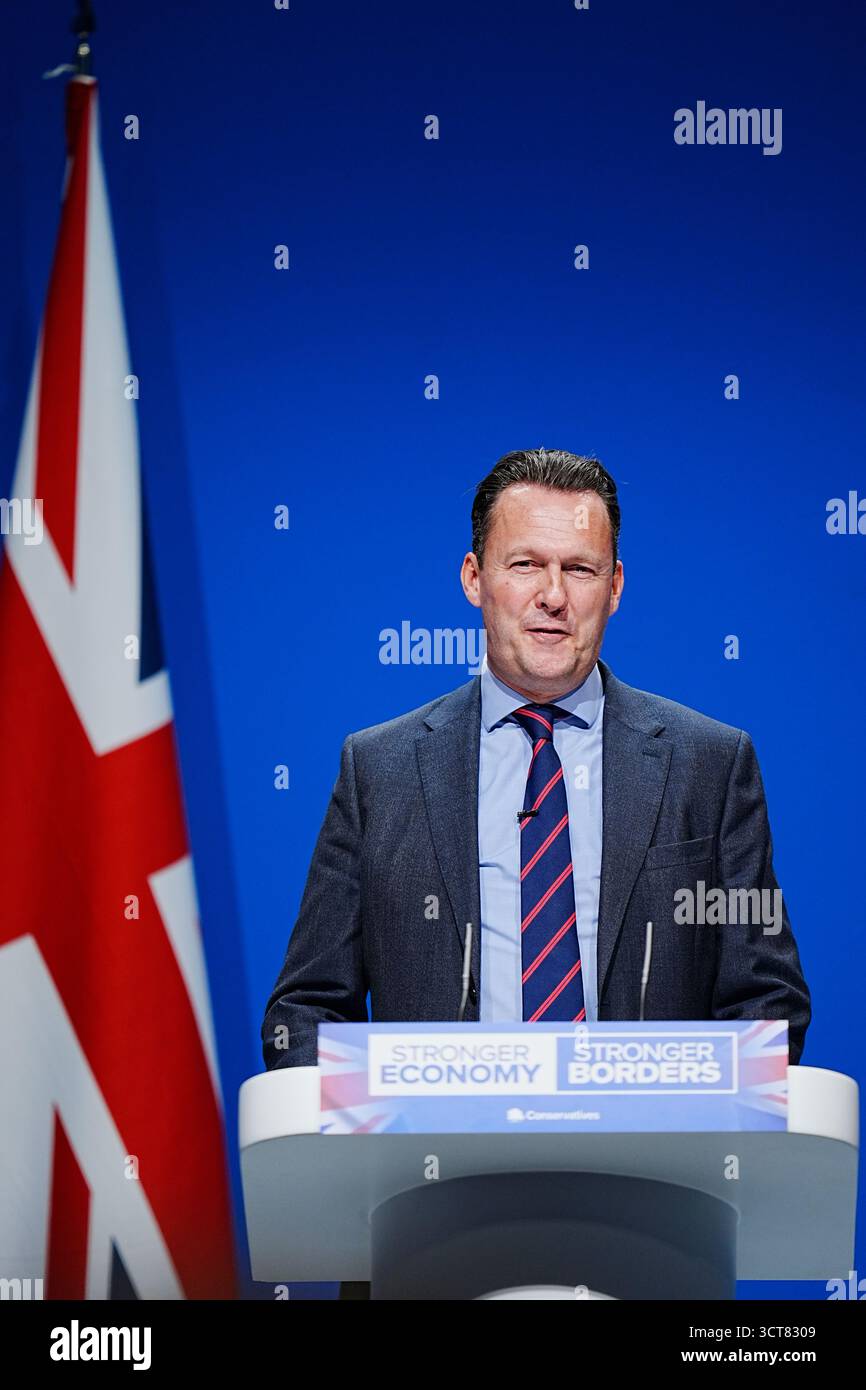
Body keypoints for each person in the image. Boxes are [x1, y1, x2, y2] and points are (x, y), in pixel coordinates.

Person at [262, 448, 810, 1071]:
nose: (553, 595)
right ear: (473, 578)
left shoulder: (710, 765)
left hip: (643, 1160)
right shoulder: (379, 770)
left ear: (614, 587)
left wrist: (680, 1125)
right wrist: (385, 1136)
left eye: (580, 569)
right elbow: (304, 1012)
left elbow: (769, 1006)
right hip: (444, 1162)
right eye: (525, 564)